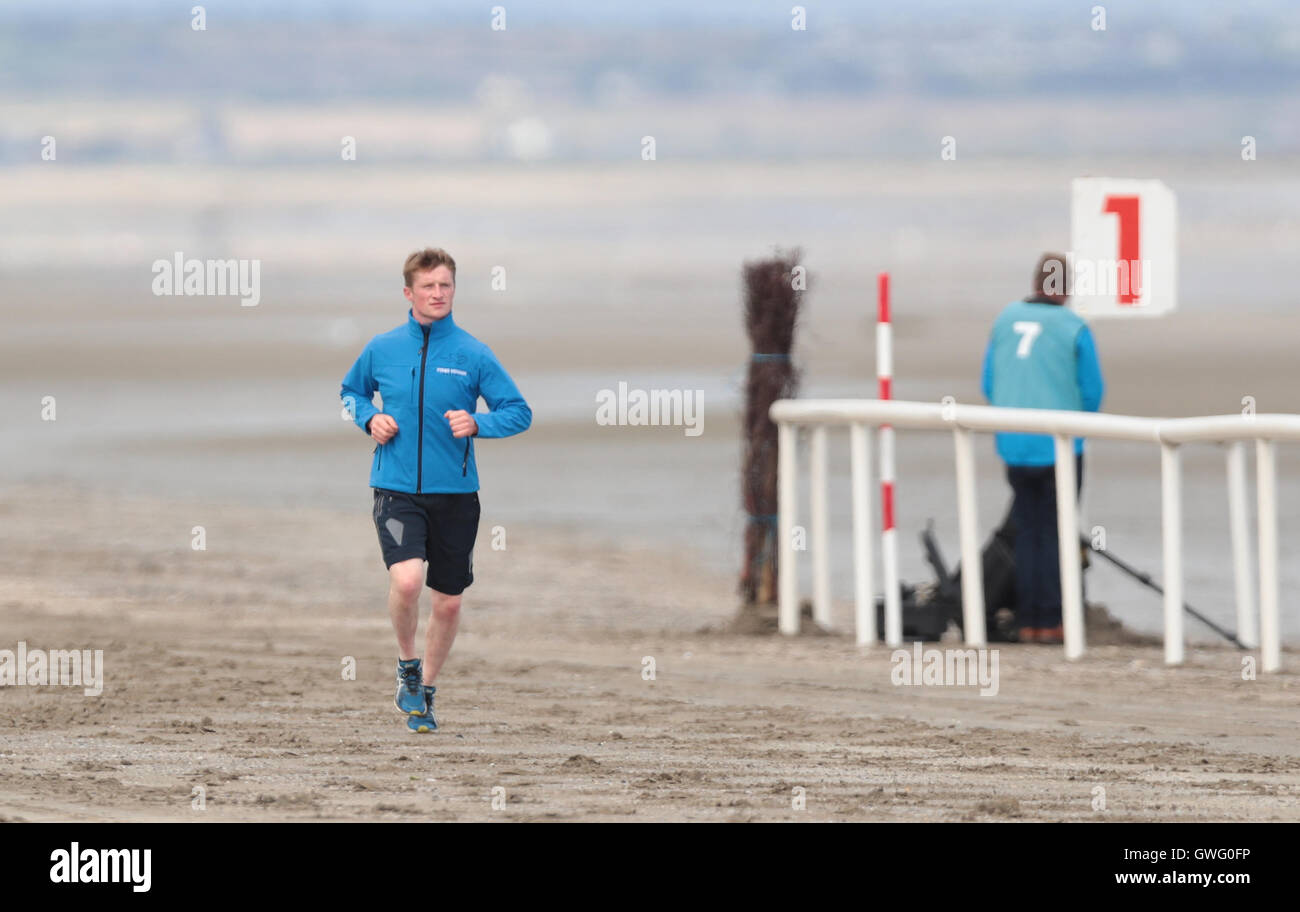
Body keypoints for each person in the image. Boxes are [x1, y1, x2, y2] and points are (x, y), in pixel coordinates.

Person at [341, 248, 532, 732]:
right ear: (409, 293)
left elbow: (518, 411)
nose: (438, 293)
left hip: (456, 495)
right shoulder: (382, 348)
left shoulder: (473, 353)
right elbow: (351, 392)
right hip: (395, 488)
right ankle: (406, 665)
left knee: (447, 601)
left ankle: (425, 690)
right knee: (406, 582)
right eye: (428, 286)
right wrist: (370, 418)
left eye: (445, 285)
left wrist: (479, 422)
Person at [981, 252, 1104, 645]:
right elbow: (1092, 393)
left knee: (1028, 531)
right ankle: (1051, 620)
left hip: (1013, 444)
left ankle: (1027, 620)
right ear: (1065, 289)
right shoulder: (1073, 326)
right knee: (1055, 533)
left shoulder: (1005, 319)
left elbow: (989, 382)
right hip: (1059, 448)